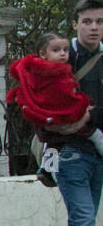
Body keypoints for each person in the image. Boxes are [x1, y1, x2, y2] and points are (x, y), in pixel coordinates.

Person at [41, 0, 103, 226]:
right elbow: (37, 101)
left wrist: (90, 118)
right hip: (69, 155)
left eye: (100, 22)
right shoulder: (62, 57)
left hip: (97, 154)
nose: (94, 27)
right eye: (88, 21)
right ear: (76, 23)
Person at [8, 33, 103, 192]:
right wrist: (84, 105)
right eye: (56, 50)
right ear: (43, 53)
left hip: (49, 116)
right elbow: (65, 95)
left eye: (65, 50)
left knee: (52, 142)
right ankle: (48, 169)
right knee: (94, 134)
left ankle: (47, 169)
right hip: (64, 114)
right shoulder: (54, 72)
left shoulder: (35, 70)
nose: (63, 53)